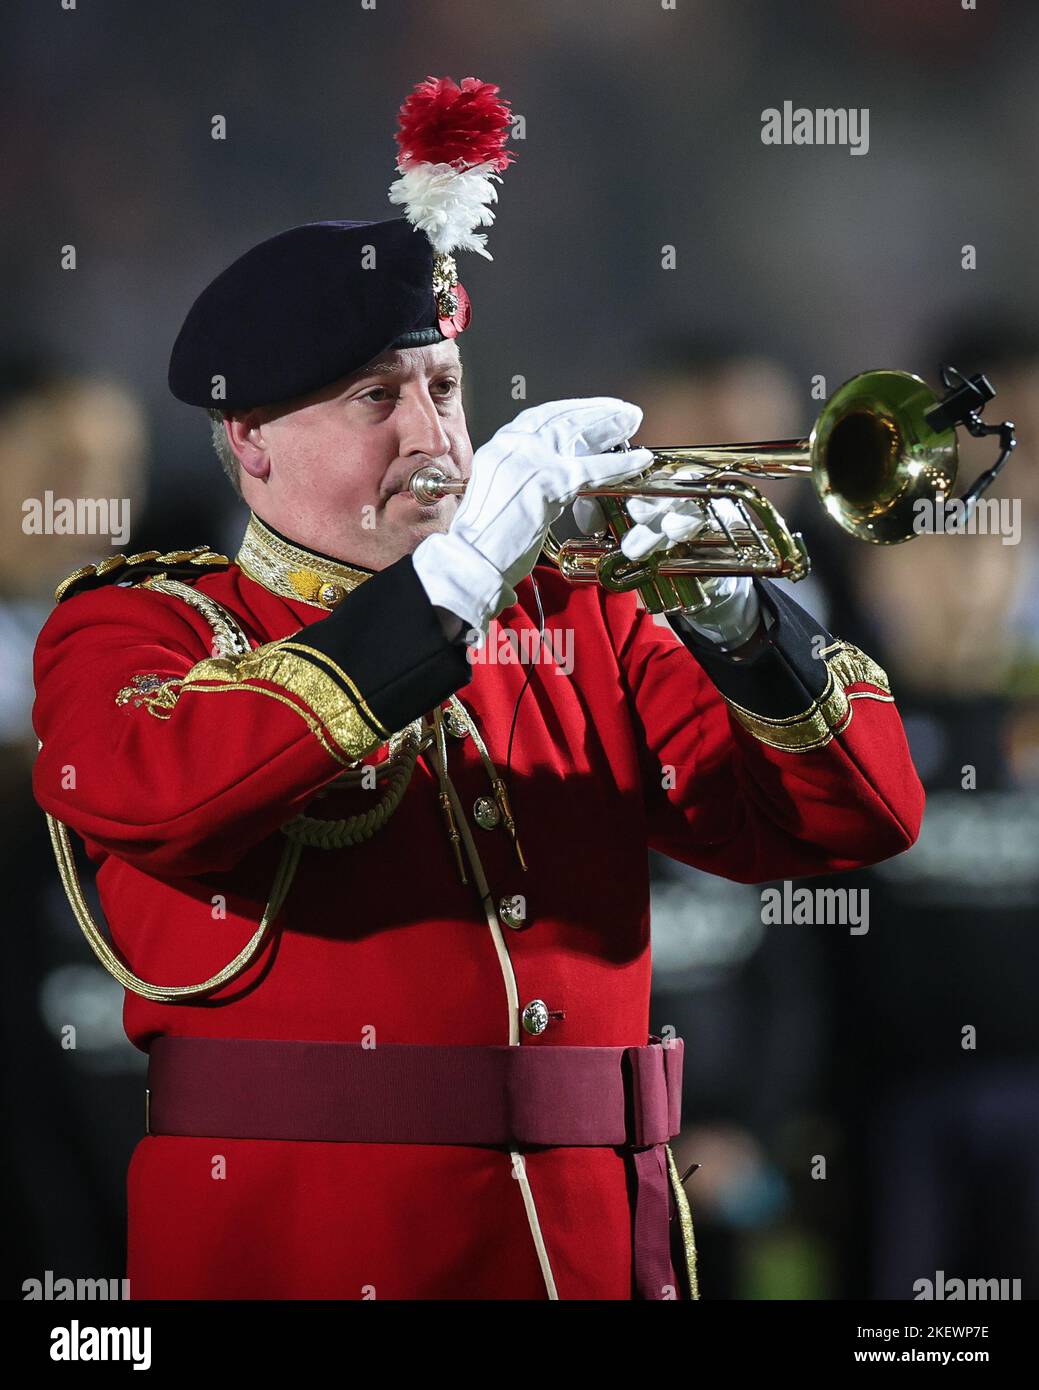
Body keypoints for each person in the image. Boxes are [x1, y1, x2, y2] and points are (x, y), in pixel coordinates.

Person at [31, 76, 924, 1300]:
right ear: (249, 441)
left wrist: (740, 623)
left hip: (595, 1244)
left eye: (444, 388)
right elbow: (167, 791)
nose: (433, 439)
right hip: (300, 1249)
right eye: (374, 398)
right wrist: (451, 583)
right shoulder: (142, 623)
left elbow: (852, 820)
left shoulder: (579, 613)